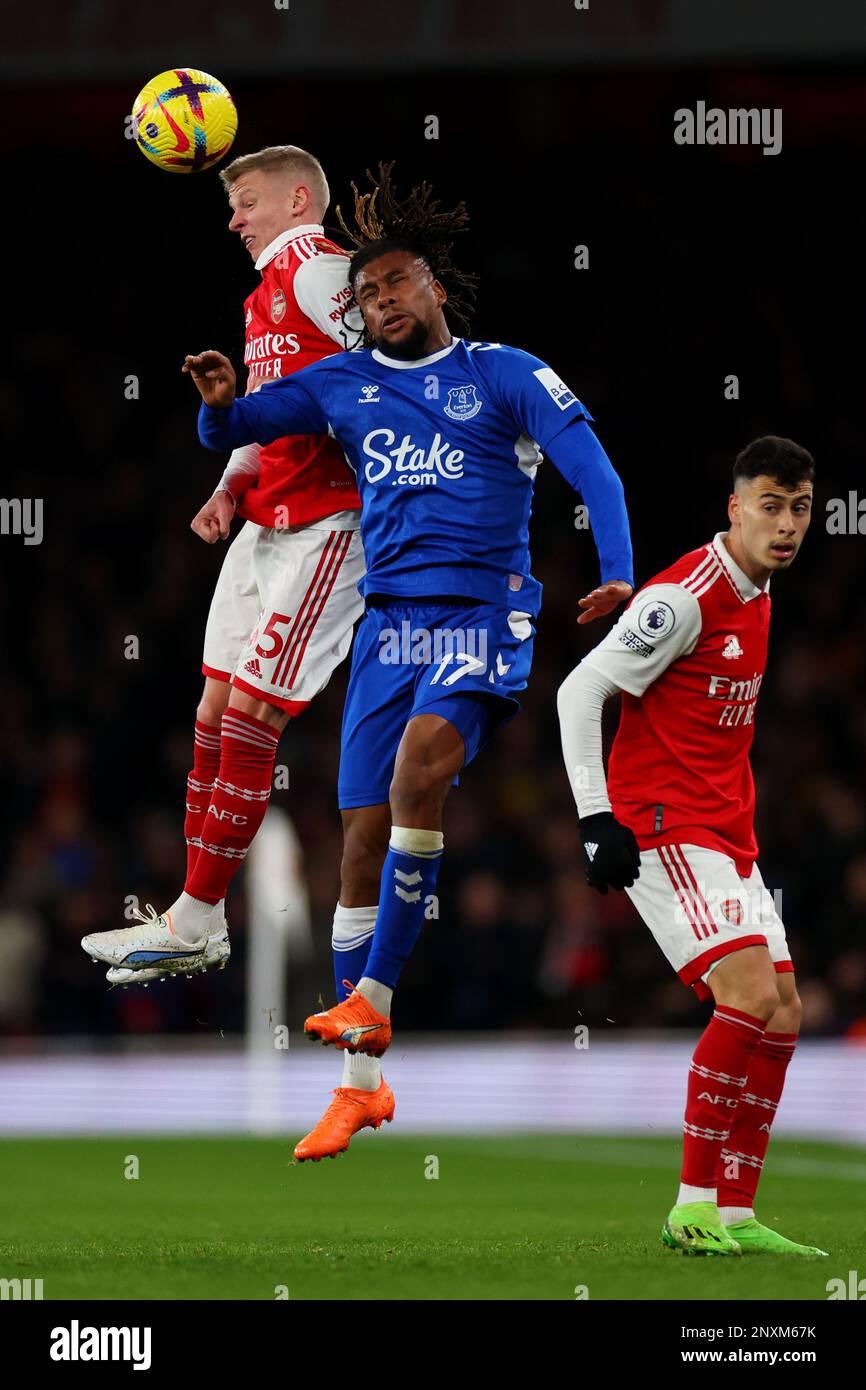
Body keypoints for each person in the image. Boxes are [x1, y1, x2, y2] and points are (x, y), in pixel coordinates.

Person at [185, 165, 636, 1160]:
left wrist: (616, 573)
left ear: (431, 286)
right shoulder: (339, 386)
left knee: (415, 773)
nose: (381, 303)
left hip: (480, 612)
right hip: (386, 630)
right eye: (365, 297)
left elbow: (592, 468)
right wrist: (220, 410)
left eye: (396, 286)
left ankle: (373, 1000)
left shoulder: (503, 372)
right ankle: (360, 1086)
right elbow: (247, 429)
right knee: (354, 841)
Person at [80, 145, 365, 987]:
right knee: (209, 714)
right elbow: (271, 416)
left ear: (299, 199)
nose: (235, 220)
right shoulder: (260, 298)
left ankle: (201, 918)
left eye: (246, 202)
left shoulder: (323, 270)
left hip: (326, 524)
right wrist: (230, 481)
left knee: (247, 720)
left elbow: (380, 379)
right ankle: (191, 917)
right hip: (266, 519)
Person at [557, 435, 827, 1256]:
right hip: (661, 821)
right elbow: (582, 689)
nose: (786, 525)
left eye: (801, 509)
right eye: (770, 506)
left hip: (724, 829)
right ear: (736, 508)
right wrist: (596, 819)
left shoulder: (761, 590)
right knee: (747, 994)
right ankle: (691, 1205)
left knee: (784, 1011)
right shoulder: (688, 596)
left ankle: (738, 1211)